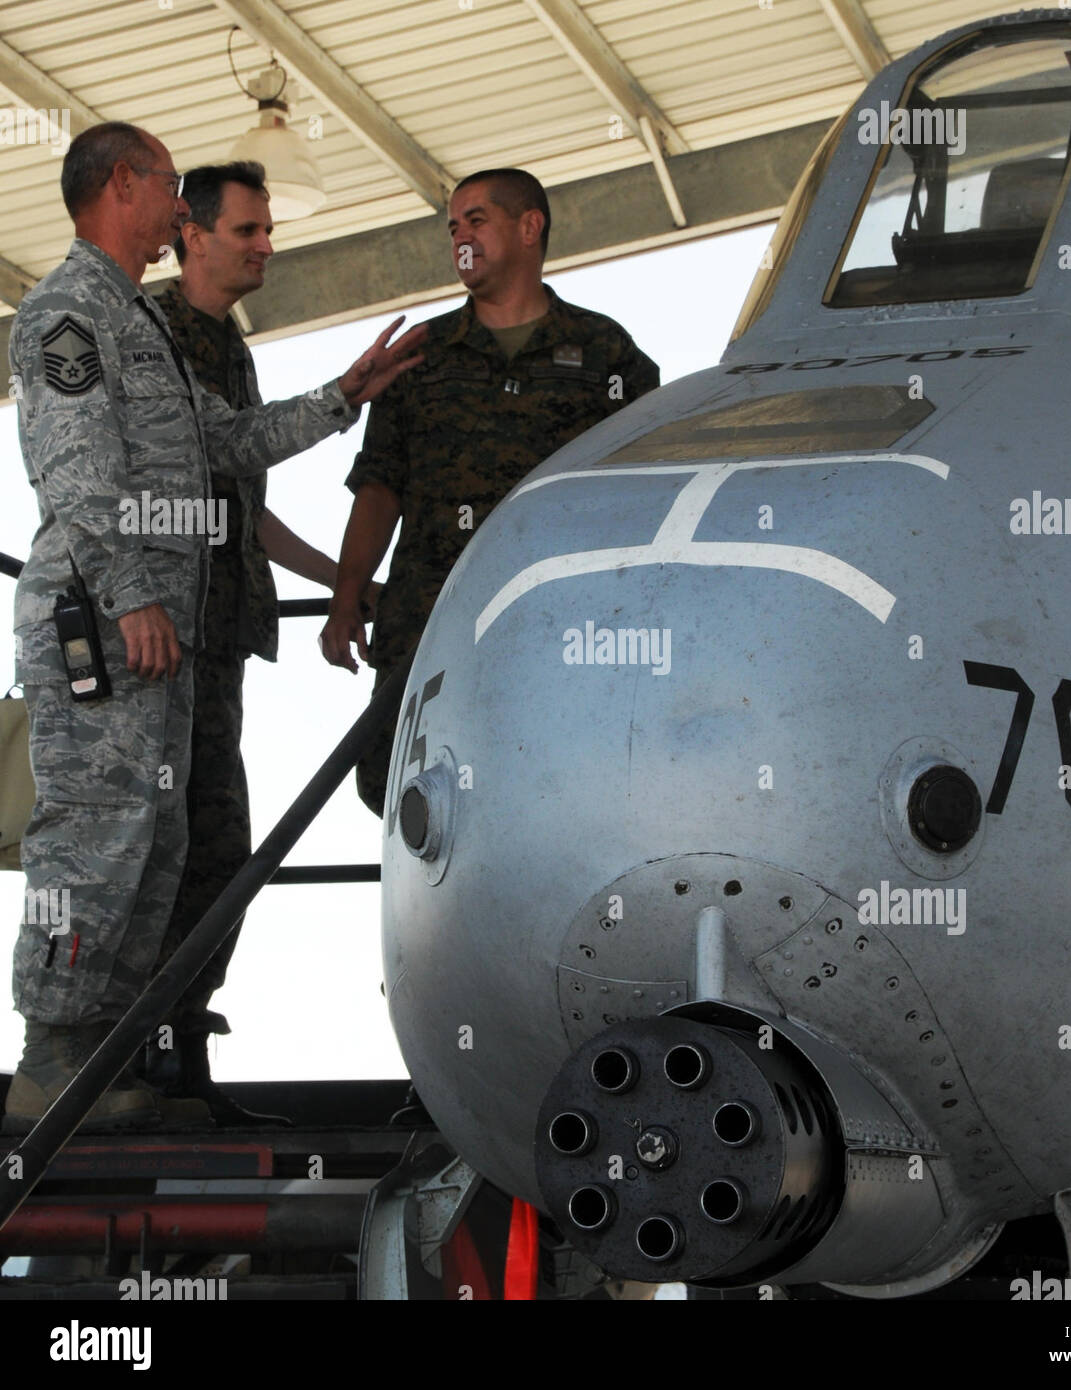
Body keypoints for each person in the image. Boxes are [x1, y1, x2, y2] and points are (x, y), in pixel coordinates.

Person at [4, 122, 424, 1135]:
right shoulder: (67, 311)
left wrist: (340, 399)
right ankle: (49, 1063)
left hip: (162, 637)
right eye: (164, 187)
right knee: (92, 838)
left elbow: (224, 442)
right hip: (105, 623)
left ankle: (107, 1061)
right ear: (122, 186)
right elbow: (72, 471)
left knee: (156, 840)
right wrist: (131, 595)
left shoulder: (139, 325)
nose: (175, 207)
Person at [138, 161, 380, 1125]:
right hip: (157, 640)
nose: (265, 245)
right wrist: (345, 394)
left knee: (217, 847)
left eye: (267, 229)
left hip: (219, 639)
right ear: (191, 233)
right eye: (246, 230)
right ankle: (129, 1063)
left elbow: (245, 497)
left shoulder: (226, 344)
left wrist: (345, 583)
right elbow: (229, 450)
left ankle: (176, 1054)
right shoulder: (147, 331)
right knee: (156, 847)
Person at [320, 168, 660, 814]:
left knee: (558, 798)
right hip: (429, 626)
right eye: (453, 227)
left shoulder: (605, 353)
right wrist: (344, 597)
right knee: (411, 794)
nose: (460, 238)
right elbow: (379, 487)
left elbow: (643, 491)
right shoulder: (421, 355)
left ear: (529, 227)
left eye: (476, 220)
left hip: (561, 630)